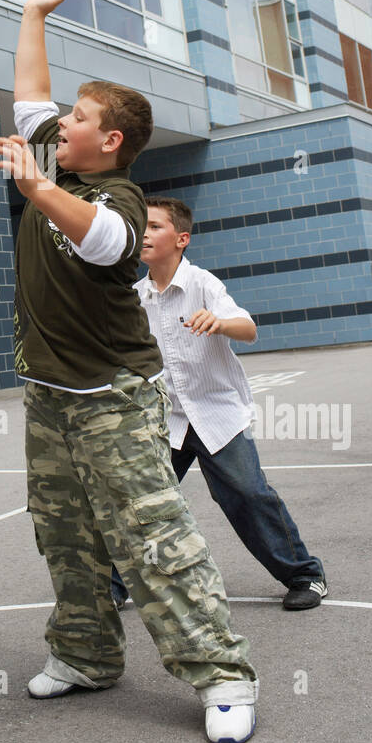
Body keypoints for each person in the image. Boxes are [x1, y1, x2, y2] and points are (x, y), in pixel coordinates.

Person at [0, 0, 259, 743]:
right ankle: (84, 654)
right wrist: (31, 15)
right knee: (64, 532)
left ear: (108, 142)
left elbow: (103, 244)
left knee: (152, 537)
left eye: (76, 119)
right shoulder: (60, 163)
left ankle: (223, 674)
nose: (58, 123)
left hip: (113, 397)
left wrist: (37, 185)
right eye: (65, 116)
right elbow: (28, 94)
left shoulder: (121, 198)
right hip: (48, 396)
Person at [135, 196, 328, 611]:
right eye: (141, 226)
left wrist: (219, 322)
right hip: (164, 421)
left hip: (216, 413)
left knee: (246, 495)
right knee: (138, 505)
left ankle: (305, 575)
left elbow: (249, 328)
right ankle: (111, 587)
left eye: (154, 226)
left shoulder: (203, 284)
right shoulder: (135, 298)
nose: (144, 233)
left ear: (181, 238)